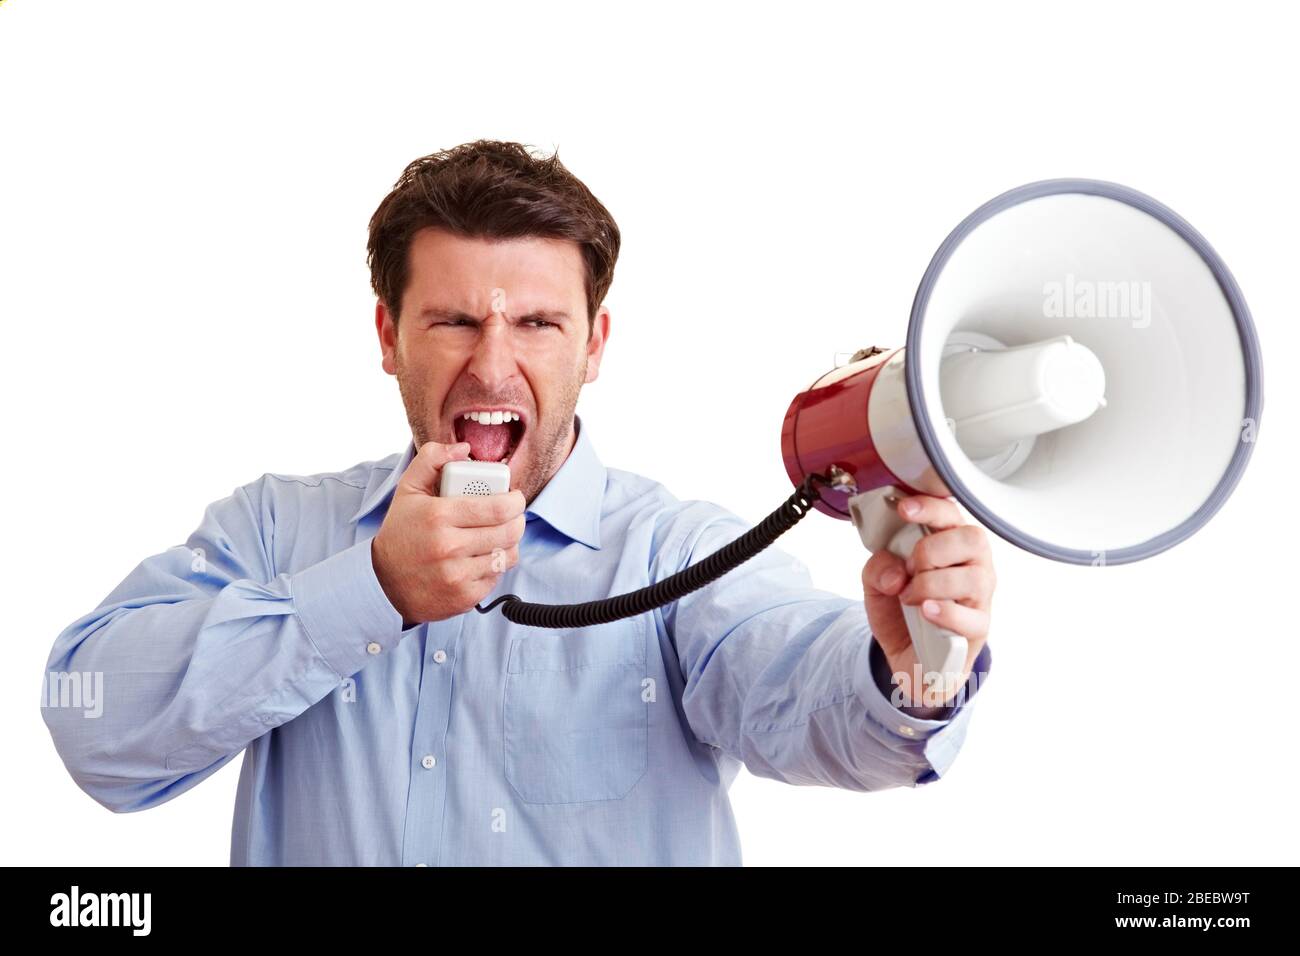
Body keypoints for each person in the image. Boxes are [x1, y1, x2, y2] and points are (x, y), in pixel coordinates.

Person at [41, 140, 995, 866]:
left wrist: (910, 671)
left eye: (538, 323)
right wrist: (367, 594)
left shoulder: (674, 554)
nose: (493, 363)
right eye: (453, 319)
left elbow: (814, 697)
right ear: (388, 333)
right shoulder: (276, 531)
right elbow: (95, 727)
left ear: (594, 345)